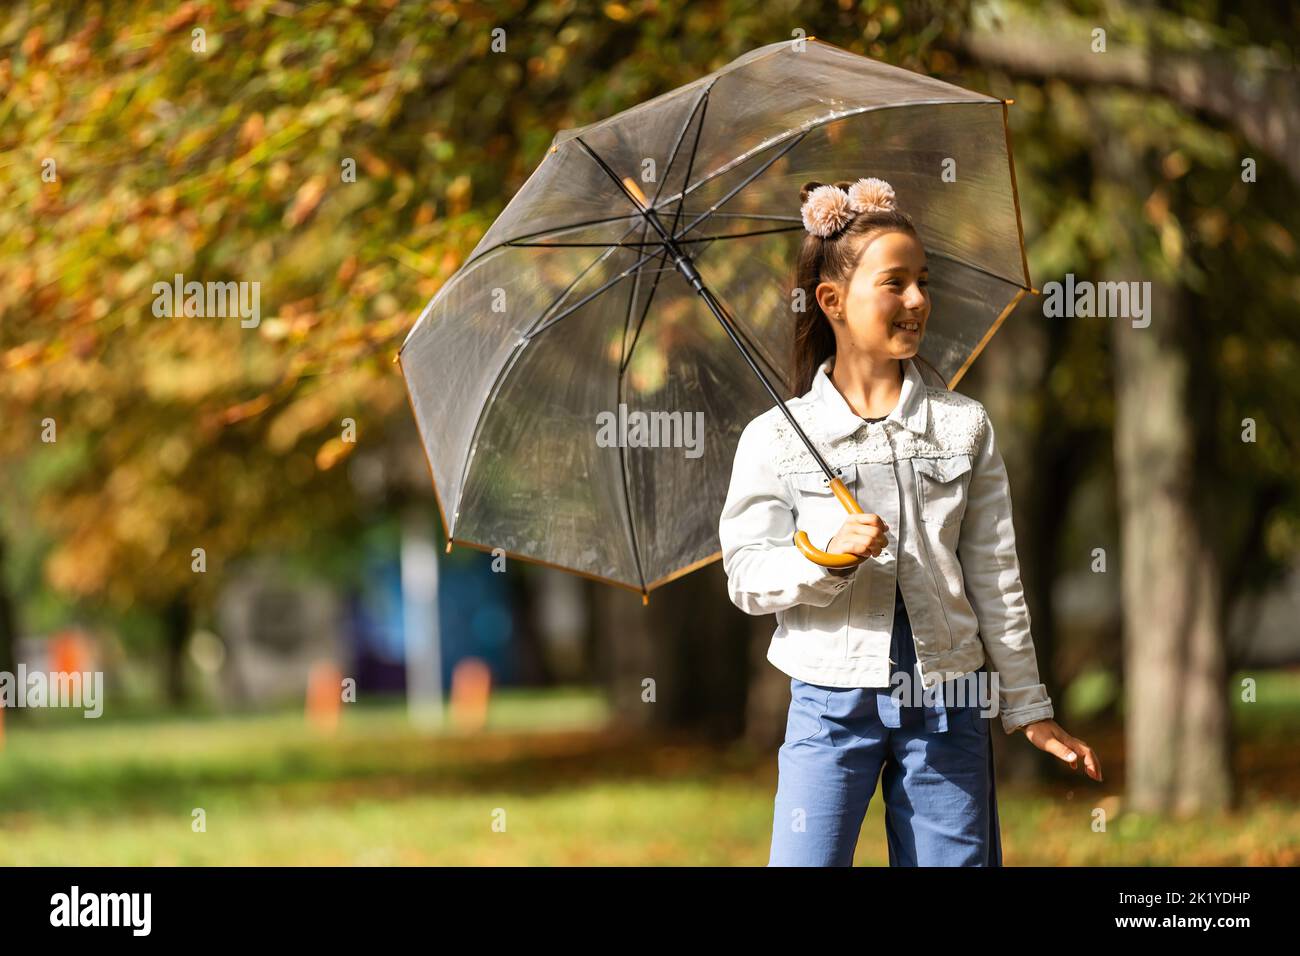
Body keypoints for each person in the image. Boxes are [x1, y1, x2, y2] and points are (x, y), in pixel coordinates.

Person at [717, 177, 1101, 866]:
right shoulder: (776, 437)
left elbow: (994, 577)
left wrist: (1028, 706)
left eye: (923, 281)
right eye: (894, 283)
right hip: (828, 703)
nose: (918, 299)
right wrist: (825, 557)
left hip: (950, 702)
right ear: (832, 301)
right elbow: (745, 575)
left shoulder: (963, 426)